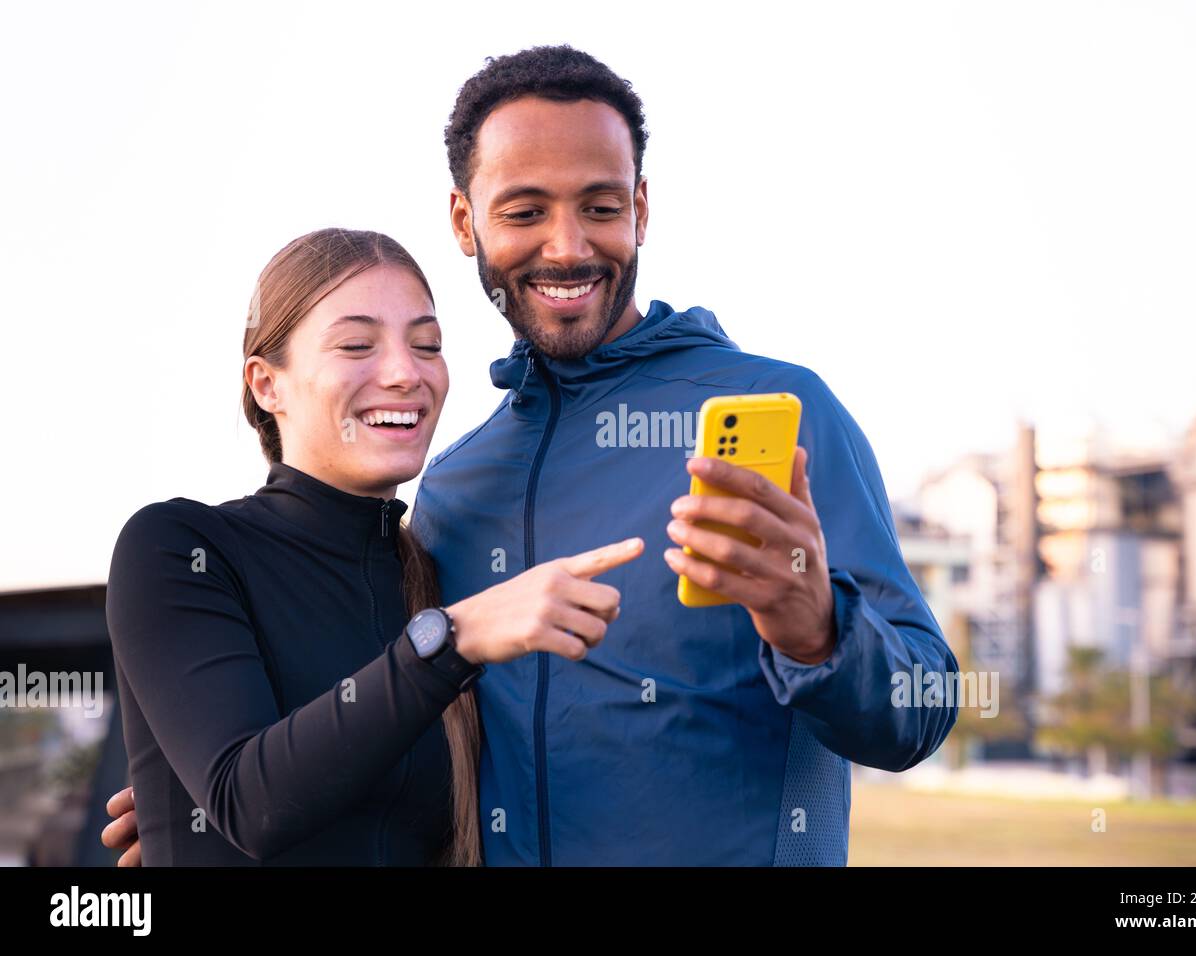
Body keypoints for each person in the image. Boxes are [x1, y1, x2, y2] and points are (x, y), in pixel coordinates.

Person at [106, 45, 960, 867]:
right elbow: (397, 731)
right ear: (464, 220)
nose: (567, 247)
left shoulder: (784, 416)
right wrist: (203, 813)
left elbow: (920, 711)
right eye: (524, 211)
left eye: (600, 206)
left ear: (642, 208)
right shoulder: (451, 489)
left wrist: (819, 633)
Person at [103, 227, 641, 865]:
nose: (404, 372)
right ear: (265, 384)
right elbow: (249, 803)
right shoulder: (180, 548)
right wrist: (452, 640)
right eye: (357, 345)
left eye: (427, 345)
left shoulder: (440, 576)